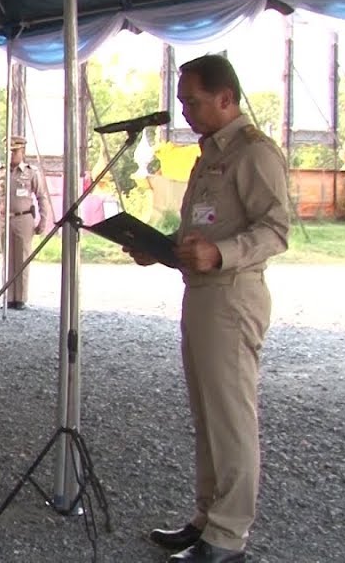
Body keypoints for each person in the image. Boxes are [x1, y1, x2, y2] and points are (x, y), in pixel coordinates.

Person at [132, 55, 289, 563]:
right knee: (207, 415)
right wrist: (161, 248)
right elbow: (204, 226)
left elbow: (275, 230)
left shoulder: (254, 154)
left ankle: (228, 537)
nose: (187, 112)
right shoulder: (207, 155)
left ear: (226, 98)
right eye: (182, 103)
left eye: (194, 102)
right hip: (200, 294)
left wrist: (221, 255)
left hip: (232, 296)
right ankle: (206, 519)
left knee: (230, 419)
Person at [0, 135, 53, 310]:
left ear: (22, 152)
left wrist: (43, 221)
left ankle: (20, 298)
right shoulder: (0, 172)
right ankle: (8, 296)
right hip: (4, 219)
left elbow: (41, 198)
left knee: (22, 258)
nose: (11, 155)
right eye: (8, 151)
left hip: (23, 218)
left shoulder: (31, 173)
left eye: (14, 151)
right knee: (7, 258)